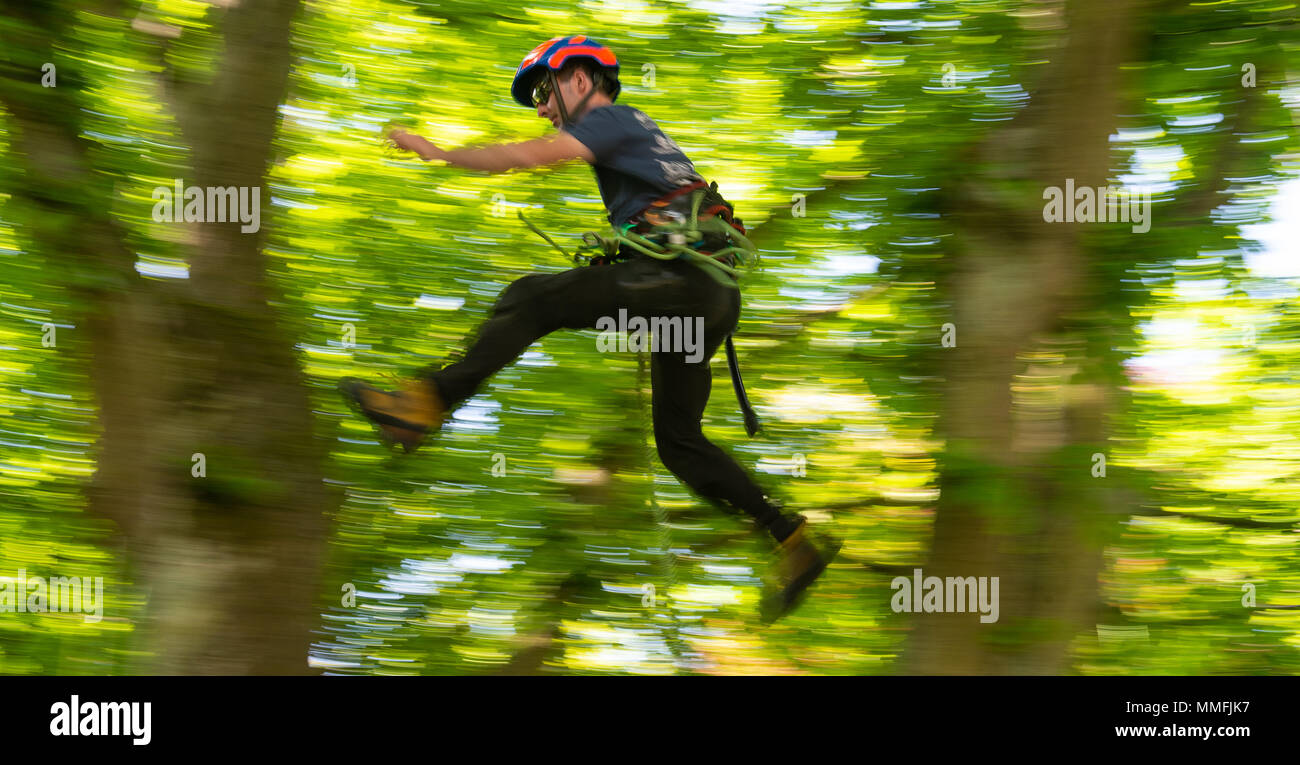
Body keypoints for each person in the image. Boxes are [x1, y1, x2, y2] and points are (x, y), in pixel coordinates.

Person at [340, 35, 839, 622]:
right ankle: (792, 542)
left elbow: (531, 156)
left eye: (546, 93)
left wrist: (441, 153)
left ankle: (425, 404)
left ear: (580, 78)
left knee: (530, 297)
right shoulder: (641, 144)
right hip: (703, 300)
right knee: (680, 444)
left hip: (685, 287)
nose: (543, 109)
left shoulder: (614, 119)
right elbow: (671, 216)